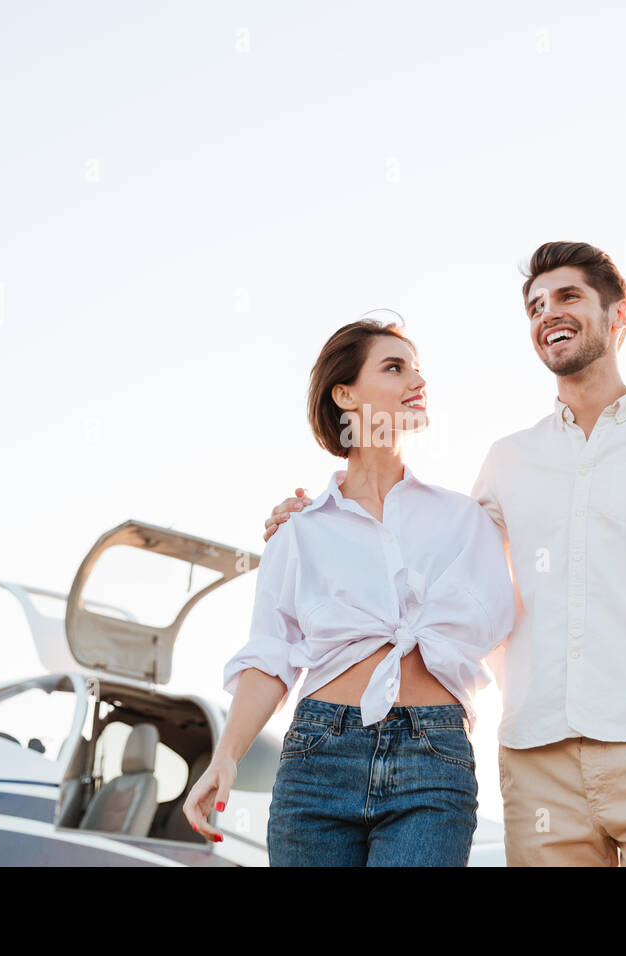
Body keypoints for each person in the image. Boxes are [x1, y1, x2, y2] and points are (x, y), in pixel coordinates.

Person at [262, 241, 626, 866]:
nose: (549, 312)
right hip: (537, 769)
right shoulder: (508, 460)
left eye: (569, 296)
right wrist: (314, 514)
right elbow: (422, 563)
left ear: (618, 314)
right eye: (535, 305)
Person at [182, 317, 515, 866]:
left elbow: (506, 635)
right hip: (318, 759)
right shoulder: (300, 529)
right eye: (394, 367)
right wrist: (226, 757)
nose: (416, 380)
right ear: (344, 393)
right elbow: (271, 656)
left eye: (418, 369)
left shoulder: (465, 520)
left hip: (432, 761)